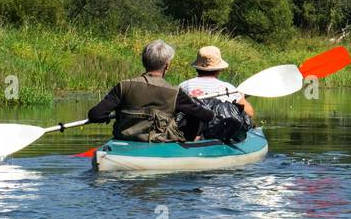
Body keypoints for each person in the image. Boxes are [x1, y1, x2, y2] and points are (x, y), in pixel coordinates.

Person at [87, 40, 215, 142]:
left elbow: (96, 115)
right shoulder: (175, 93)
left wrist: (110, 116)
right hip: (159, 141)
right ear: (167, 65)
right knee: (195, 118)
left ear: (144, 62)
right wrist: (196, 105)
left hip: (125, 138)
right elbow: (206, 116)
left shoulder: (123, 86)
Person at [176, 45, 255, 141]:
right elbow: (249, 112)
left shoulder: (184, 85)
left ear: (197, 68)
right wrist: (241, 97)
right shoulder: (228, 88)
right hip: (217, 133)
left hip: (190, 132)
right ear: (219, 69)